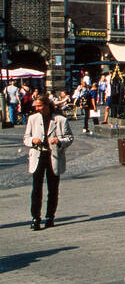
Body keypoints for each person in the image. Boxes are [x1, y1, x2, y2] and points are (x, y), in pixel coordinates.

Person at [23, 91, 73, 229]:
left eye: (39, 106)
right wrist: (33, 140)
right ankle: (35, 218)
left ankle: (50, 216)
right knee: (36, 189)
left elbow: (69, 138)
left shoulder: (60, 120)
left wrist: (59, 141)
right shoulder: (33, 119)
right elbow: (26, 138)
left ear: (46, 105)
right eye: (36, 106)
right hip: (38, 156)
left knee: (53, 189)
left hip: (54, 156)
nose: (36, 108)